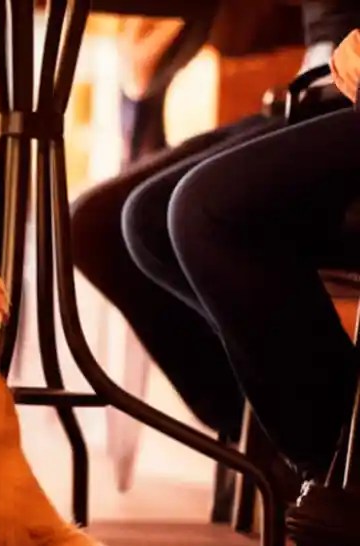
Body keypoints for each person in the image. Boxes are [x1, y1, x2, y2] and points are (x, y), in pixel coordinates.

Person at [73, 2, 360, 488]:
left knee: (207, 214)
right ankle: (283, 449)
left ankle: (330, 473)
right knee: (107, 224)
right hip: (315, 90)